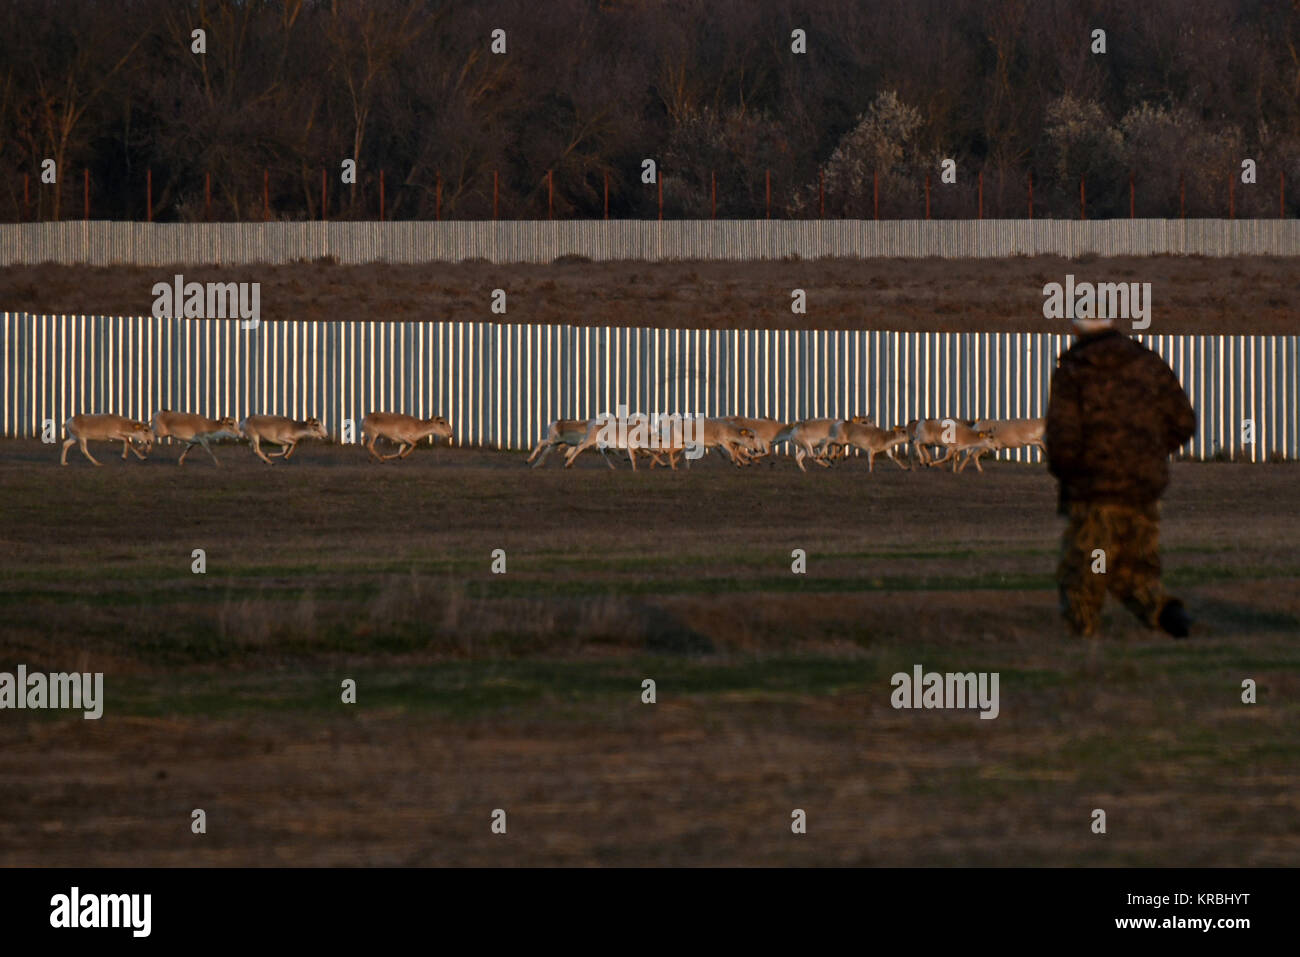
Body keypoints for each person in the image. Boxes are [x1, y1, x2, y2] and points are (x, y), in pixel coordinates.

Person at [1045, 314, 1196, 638]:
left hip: (1095, 491)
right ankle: (1171, 617)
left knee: (1085, 569)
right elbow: (1184, 421)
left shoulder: (1074, 369)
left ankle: (1083, 642)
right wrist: (1149, 454)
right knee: (1135, 568)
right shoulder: (1148, 363)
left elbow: (1062, 438)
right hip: (1143, 488)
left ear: (1076, 329)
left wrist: (1070, 473)